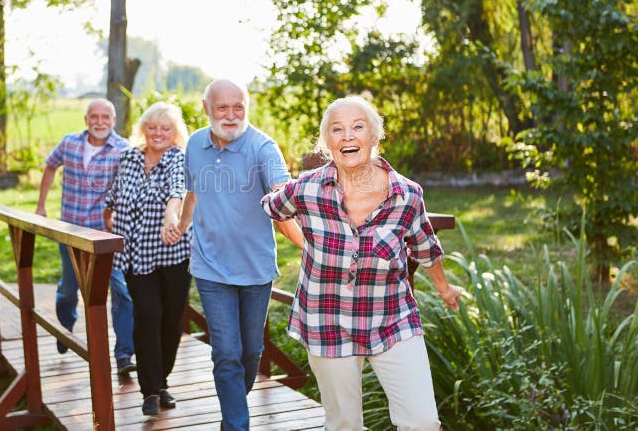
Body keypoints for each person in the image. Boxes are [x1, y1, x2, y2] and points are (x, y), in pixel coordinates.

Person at [261, 95, 462, 431]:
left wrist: (444, 288)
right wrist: (305, 243)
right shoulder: (307, 188)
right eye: (337, 130)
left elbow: (425, 247)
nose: (348, 135)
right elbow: (273, 208)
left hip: (392, 318)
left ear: (375, 136)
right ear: (328, 143)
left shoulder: (407, 195)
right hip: (327, 319)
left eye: (358, 126)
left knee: (423, 422)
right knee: (344, 425)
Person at [164, 80, 303, 431]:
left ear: (247, 106)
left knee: (249, 353)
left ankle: (232, 411)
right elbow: (192, 193)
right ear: (206, 107)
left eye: (237, 106)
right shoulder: (195, 143)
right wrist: (181, 225)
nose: (230, 115)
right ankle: (236, 425)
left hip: (256, 270)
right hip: (210, 267)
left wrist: (312, 247)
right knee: (226, 353)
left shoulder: (263, 148)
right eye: (222, 107)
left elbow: (282, 200)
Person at [103, 102, 192, 417]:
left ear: (174, 132)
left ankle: (163, 382)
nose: (158, 133)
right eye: (152, 127)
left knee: (170, 321)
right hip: (135, 254)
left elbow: (177, 192)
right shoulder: (128, 157)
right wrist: (108, 221)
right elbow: (114, 196)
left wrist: (172, 217)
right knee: (148, 316)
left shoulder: (178, 158)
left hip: (174, 254)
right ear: (144, 129)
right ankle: (150, 391)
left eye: (164, 128)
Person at [36, 98, 136, 376]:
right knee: (69, 288)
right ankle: (65, 326)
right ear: (86, 119)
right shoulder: (69, 142)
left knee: (121, 291)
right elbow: (49, 166)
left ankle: (124, 353)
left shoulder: (123, 149)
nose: (100, 122)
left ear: (113, 121)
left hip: (106, 234)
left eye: (106, 117)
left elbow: (131, 186)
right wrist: (41, 205)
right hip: (70, 231)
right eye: (95, 116)